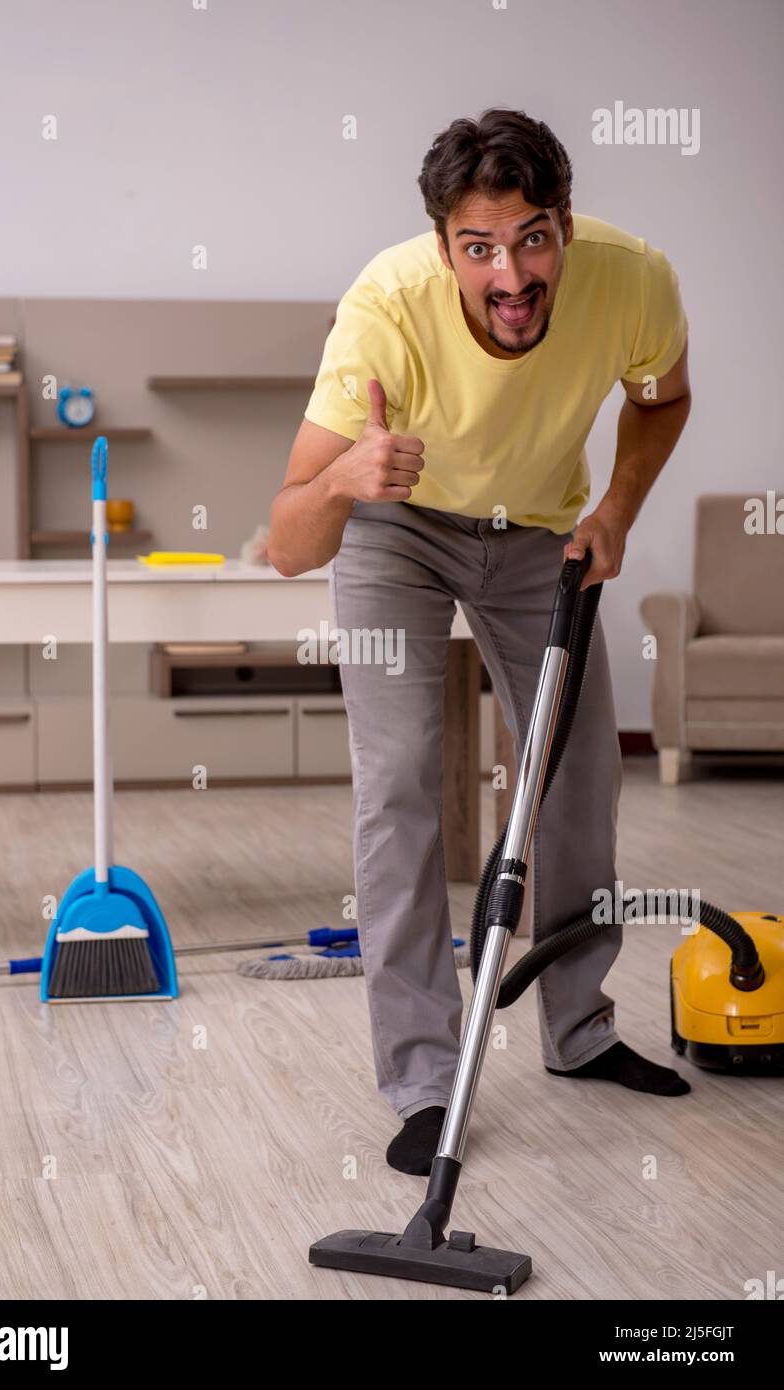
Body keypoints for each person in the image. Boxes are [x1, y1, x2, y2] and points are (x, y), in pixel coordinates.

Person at [268, 108, 693, 1176]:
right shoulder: (385, 311)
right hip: (396, 532)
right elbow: (284, 540)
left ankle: (579, 1028)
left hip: (541, 532)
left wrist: (618, 513)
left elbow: (662, 398)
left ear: (565, 226)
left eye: (533, 237)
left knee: (579, 769)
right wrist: (345, 481)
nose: (511, 273)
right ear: (444, 243)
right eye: (479, 246)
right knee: (400, 780)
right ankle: (422, 1078)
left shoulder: (633, 278)